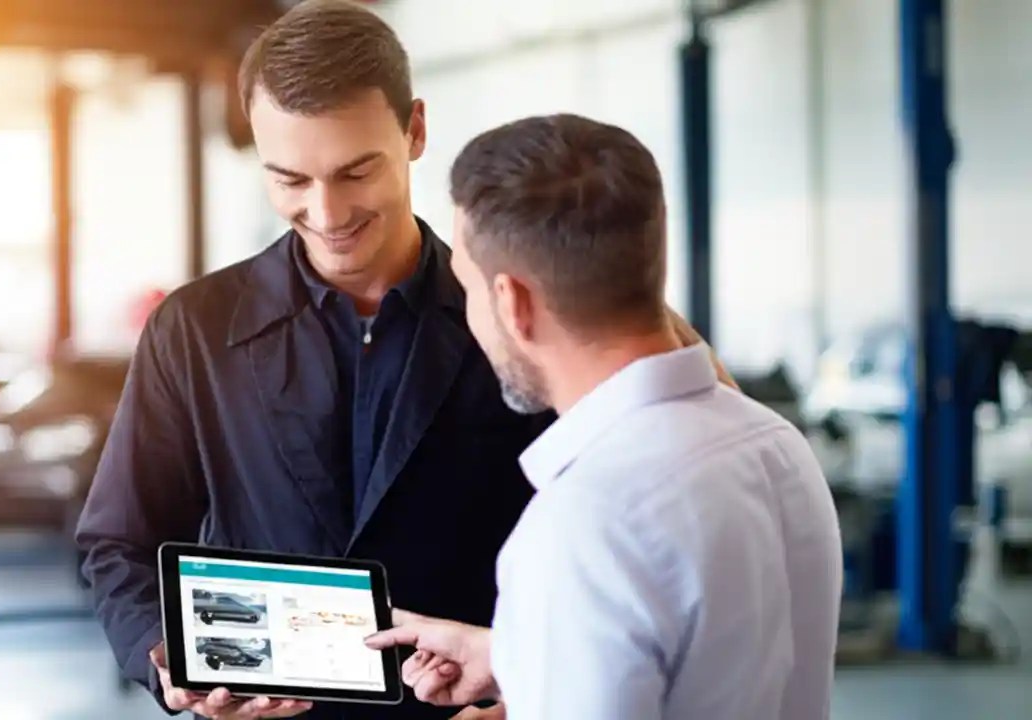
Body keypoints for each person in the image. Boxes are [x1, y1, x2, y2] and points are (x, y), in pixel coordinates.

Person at [74, 2, 555, 718]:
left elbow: (587, 548)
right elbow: (119, 543)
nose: (327, 214)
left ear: (414, 130)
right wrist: (167, 658)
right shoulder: (195, 329)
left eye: (356, 172)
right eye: (291, 180)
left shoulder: (514, 318)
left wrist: (530, 692)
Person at [365, 115, 844, 720]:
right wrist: (516, 657)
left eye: (468, 289)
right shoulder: (774, 446)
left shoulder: (583, 528)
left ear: (512, 303)